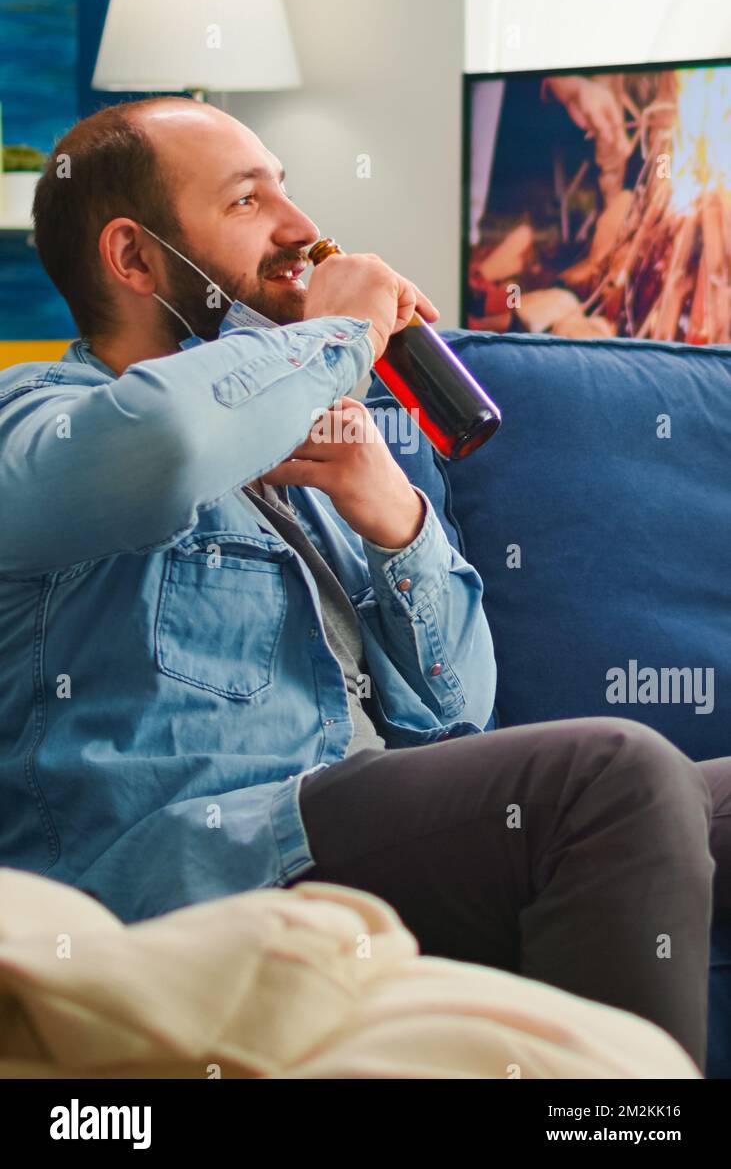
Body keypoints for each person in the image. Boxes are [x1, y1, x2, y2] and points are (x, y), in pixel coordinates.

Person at [0, 96, 727, 1075]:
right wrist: (336, 333)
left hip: (350, 840)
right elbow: (163, 446)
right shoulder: (35, 420)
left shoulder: (303, 467)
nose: (300, 229)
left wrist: (392, 517)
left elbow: (456, 717)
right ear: (133, 259)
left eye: (287, 191)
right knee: (612, 775)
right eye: (249, 199)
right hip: (189, 873)